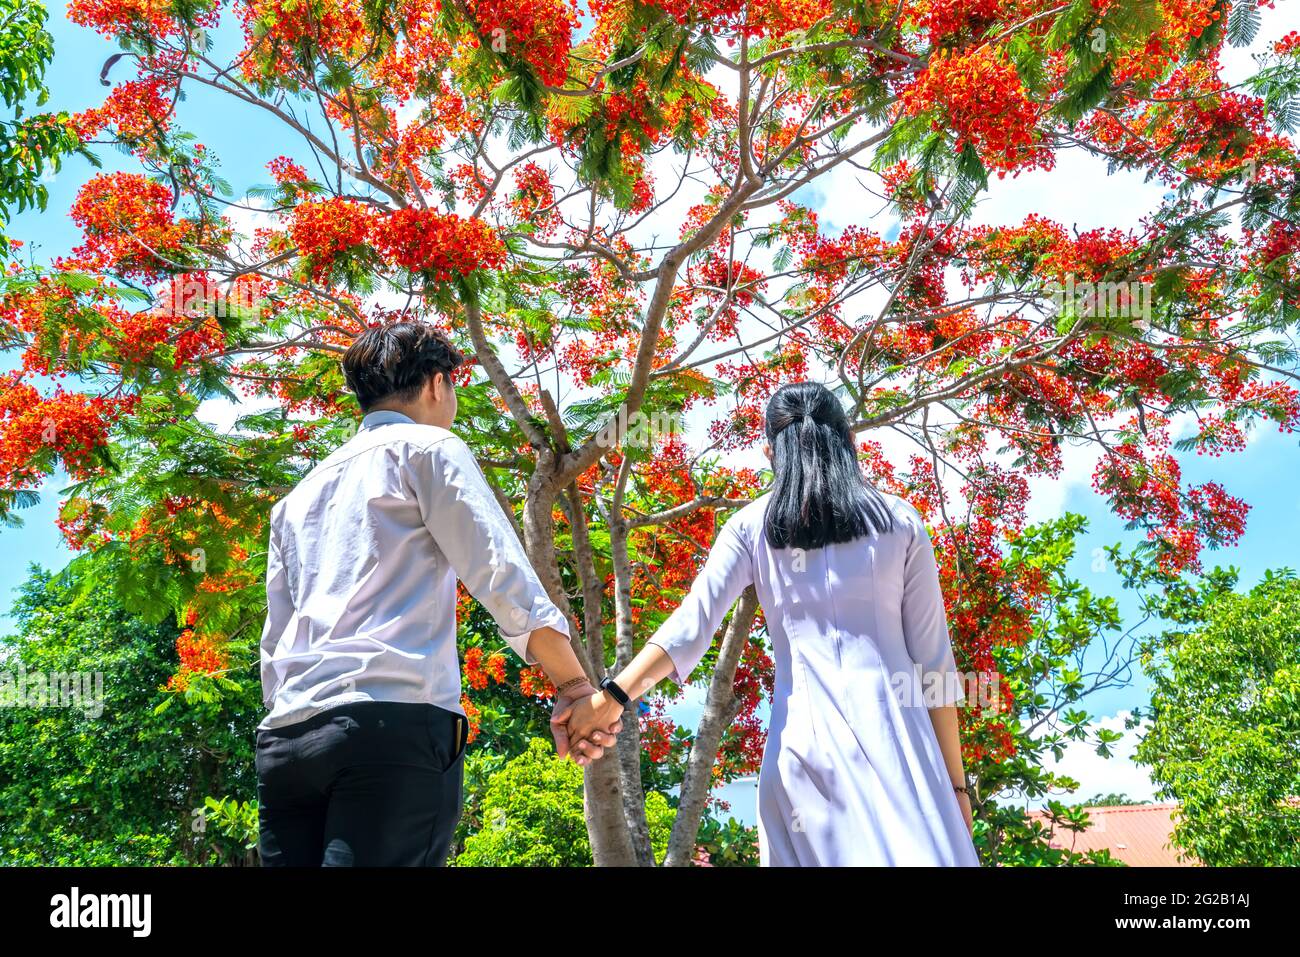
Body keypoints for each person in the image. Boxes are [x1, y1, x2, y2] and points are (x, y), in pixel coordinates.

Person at [565, 380, 981, 866]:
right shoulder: (900, 521)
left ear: (769, 452)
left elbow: (692, 624)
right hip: (901, 750)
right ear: (849, 442)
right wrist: (956, 787)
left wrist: (609, 698)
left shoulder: (750, 526)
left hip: (803, 753)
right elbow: (935, 667)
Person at [256, 320, 621, 866]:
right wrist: (573, 685)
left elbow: (276, 636)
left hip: (287, 742)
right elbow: (501, 577)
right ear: (435, 384)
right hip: (389, 731)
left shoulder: (296, 499)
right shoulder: (428, 446)